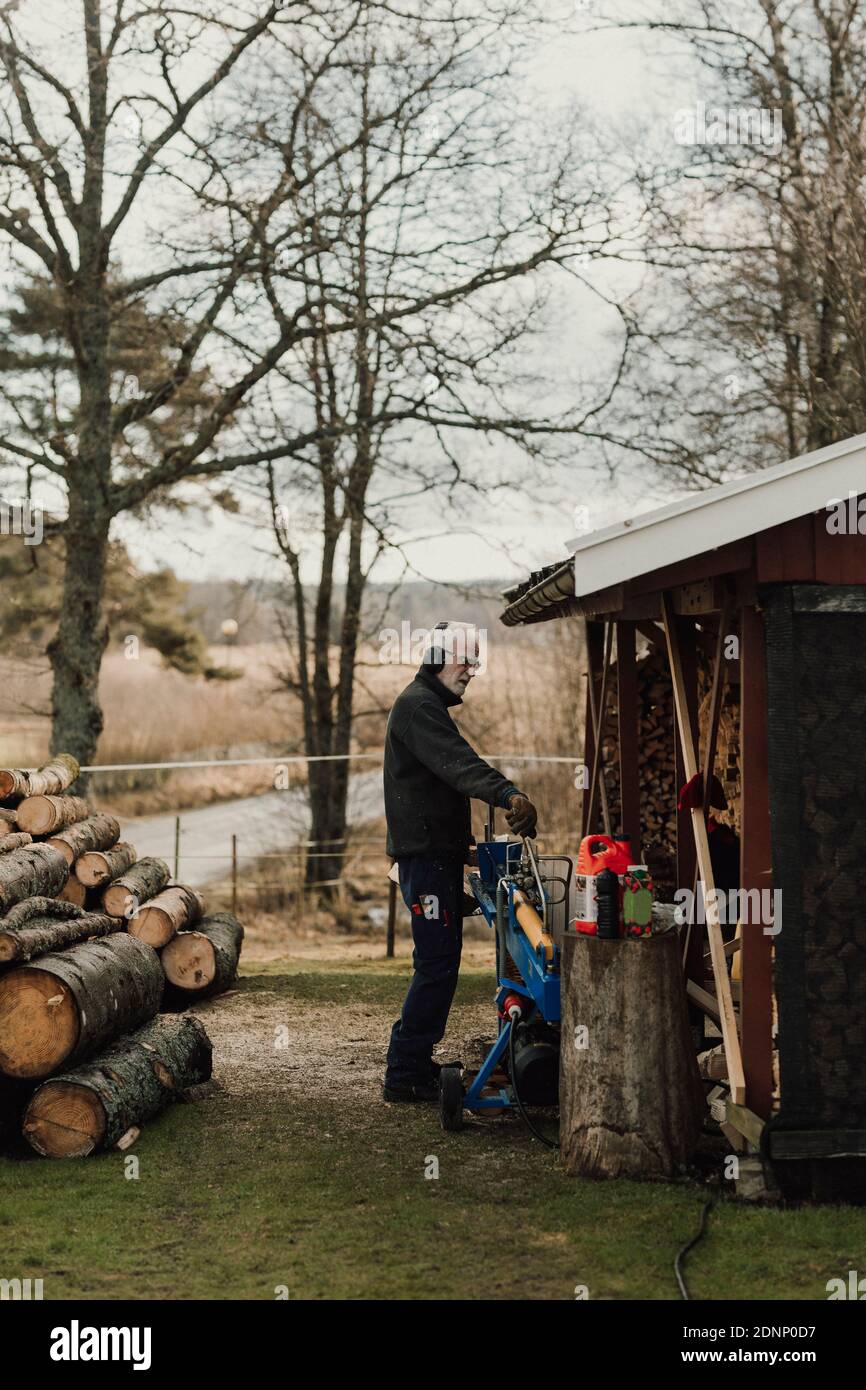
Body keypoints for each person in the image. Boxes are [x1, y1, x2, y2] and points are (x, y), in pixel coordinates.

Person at [382, 620, 538, 1102]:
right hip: (425, 864)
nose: (472, 671)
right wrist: (508, 793)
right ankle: (405, 1071)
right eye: (465, 660)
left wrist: (464, 847)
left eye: (476, 661)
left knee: (438, 960)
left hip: (435, 857)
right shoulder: (418, 707)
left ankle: (412, 1061)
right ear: (437, 658)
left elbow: (439, 787)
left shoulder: (426, 705)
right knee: (436, 962)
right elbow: (459, 765)